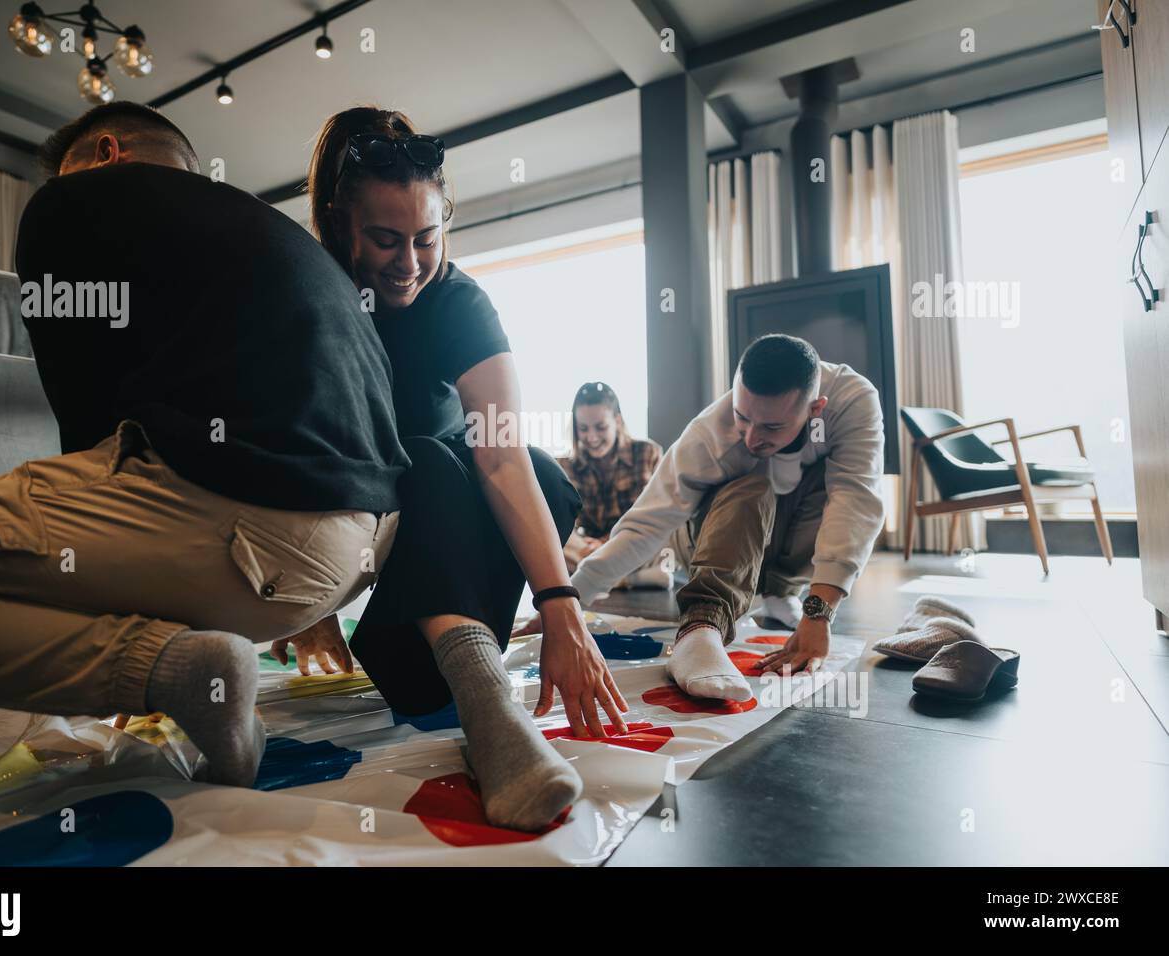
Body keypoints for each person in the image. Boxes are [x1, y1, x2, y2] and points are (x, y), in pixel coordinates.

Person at [0, 102, 409, 787]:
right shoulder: (276, 238)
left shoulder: (73, 199)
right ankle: (177, 662)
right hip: (359, 555)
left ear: (103, 153)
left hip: (254, 539)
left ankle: (170, 669)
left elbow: (89, 438)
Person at [295, 106, 628, 831]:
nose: (410, 263)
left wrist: (560, 604)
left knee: (542, 472)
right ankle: (485, 694)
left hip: (462, 528)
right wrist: (312, 604)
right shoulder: (311, 293)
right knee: (427, 463)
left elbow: (502, 455)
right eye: (385, 239)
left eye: (427, 237)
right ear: (338, 220)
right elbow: (300, 448)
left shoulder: (460, 301)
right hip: (380, 518)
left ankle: (476, 685)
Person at [523, 334, 885, 702]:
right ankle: (700, 630)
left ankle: (780, 591)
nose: (752, 438)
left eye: (771, 428)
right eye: (742, 417)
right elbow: (646, 524)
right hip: (716, 539)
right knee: (752, 486)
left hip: (787, 546)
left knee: (835, 491)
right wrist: (569, 597)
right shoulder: (709, 433)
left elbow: (855, 499)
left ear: (815, 408)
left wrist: (819, 612)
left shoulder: (853, 401)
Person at [558, 382, 667, 587]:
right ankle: (626, 581)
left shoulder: (647, 453)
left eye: (601, 427)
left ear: (617, 421)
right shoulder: (565, 466)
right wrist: (592, 547)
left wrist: (607, 543)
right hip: (587, 550)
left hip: (631, 544)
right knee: (552, 539)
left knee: (664, 539)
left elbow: (655, 516)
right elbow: (564, 526)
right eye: (583, 429)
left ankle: (594, 577)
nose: (592, 437)